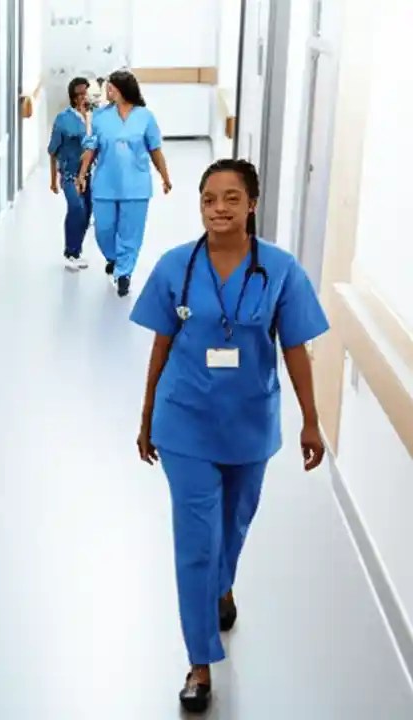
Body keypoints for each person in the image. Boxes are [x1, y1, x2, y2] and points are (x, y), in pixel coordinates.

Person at [129, 159, 328, 713]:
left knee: (234, 524)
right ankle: (199, 663)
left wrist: (311, 419)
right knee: (195, 541)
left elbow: (295, 347)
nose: (219, 208)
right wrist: (147, 415)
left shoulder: (280, 270)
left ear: (251, 205)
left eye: (231, 198)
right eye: (209, 199)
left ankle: (221, 585)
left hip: (249, 423)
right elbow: (160, 345)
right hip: (185, 421)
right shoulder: (176, 266)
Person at [76, 69, 174, 297]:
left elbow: (155, 150)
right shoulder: (100, 116)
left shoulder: (145, 117)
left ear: (122, 90)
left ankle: (124, 273)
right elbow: (91, 148)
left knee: (131, 233)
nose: (107, 91)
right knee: (104, 230)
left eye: (111, 87)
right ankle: (113, 258)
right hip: (105, 184)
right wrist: (82, 174)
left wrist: (165, 177)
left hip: (136, 185)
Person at [48, 76, 94, 271]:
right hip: (69, 175)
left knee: (87, 212)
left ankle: (77, 251)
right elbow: (52, 151)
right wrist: (53, 180)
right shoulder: (63, 119)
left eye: (86, 92)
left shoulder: (94, 117)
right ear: (73, 97)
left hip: (89, 175)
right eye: (80, 94)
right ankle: (70, 252)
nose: (84, 97)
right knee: (76, 208)